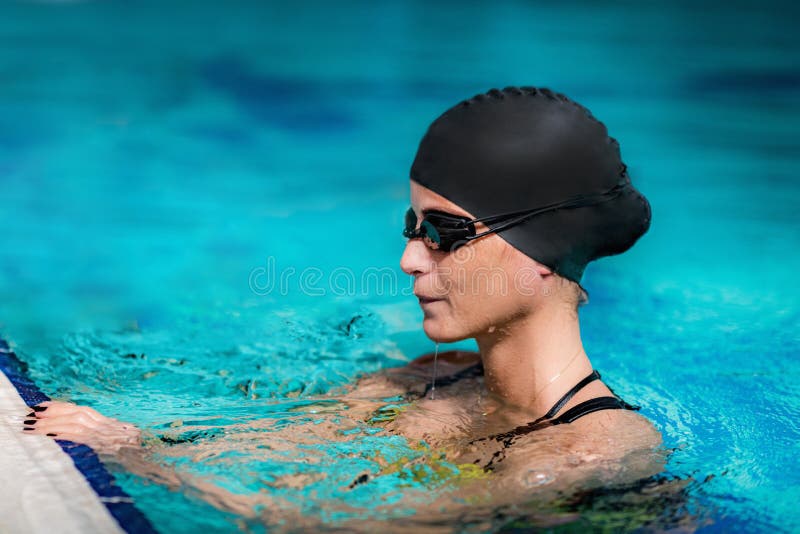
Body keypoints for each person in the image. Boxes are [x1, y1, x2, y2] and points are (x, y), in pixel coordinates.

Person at [22, 87, 663, 518]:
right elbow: (280, 450)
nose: (412, 258)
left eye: (443, 232)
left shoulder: (595, 455)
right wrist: (144, 439)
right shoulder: (422, 380)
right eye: (411, 227)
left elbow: (339, 527)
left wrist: (132, 453)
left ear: (542, 248)